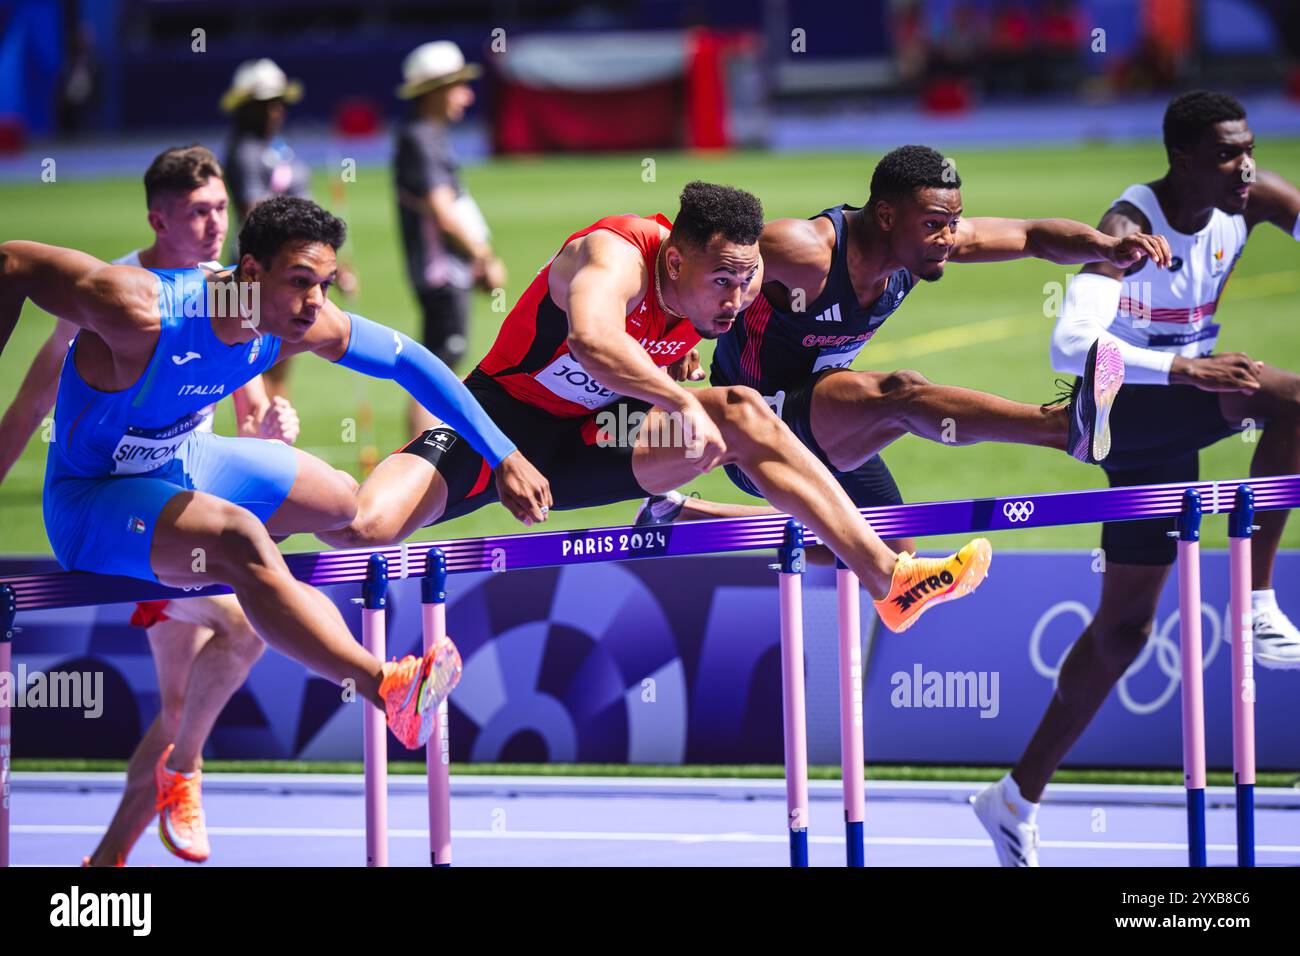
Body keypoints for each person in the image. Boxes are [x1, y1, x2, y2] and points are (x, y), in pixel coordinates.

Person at [0, 195, 551, 861]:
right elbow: (13, 263)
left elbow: (410, 362)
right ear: (250, 270)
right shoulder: (140, 309)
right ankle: (386, 686)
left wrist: (503, 454)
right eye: (298, 283)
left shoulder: (296, 320)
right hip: (93, 497)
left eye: (322, 284)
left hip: (181, 464)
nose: (313, 303)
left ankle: (264, 596)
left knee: (345, 505)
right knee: (239, 541)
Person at [320, 181, 995, 635]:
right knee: (364, 528)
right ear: (674, 262)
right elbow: (591, 339)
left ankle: (890, 579)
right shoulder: (615, 253)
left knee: (744, 412)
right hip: (498, 427)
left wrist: (682, 376)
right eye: (722, 281)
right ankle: (251, 521)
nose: (736, 298)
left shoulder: (724, 288)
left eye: (748, 278)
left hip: (592, 444)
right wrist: (674, 393)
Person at [974, 90, 1300, 866]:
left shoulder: (1254, 200)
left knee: (1124, 628)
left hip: (1177, 412)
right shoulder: (1128, 226)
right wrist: (1189, 368)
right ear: (1181, 160)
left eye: (1250, 148)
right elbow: (1070, 347)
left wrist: (1191, 377)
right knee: (1281, 397)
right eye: (1227, 154)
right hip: (1120, 407)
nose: (1246, 166)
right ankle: (1255, 599)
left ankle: (1013, 796)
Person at [635, 145, 1170, 565]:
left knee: (893, 557)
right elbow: (696, 270)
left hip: (826, 418)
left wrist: (1105, 248)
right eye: (935, 223)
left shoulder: (926, 246)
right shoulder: (803, 252)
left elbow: (1031, 236)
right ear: (886, 216)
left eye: (953, 222)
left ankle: (681, 517)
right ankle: (1059, 427)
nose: (948, 237)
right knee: (901, 394)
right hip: (754, 425)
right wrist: (680, 342)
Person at [394, 40, 507, 437]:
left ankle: (423, 467)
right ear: (435, 90)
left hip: (447, 270)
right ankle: (417, 466)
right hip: (442, 272)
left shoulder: (428, 136)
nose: (467, 95)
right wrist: (482, 257)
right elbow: (443, 214)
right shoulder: (421, 138)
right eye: (458, 85)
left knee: (442, 368)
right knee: (437, 372)